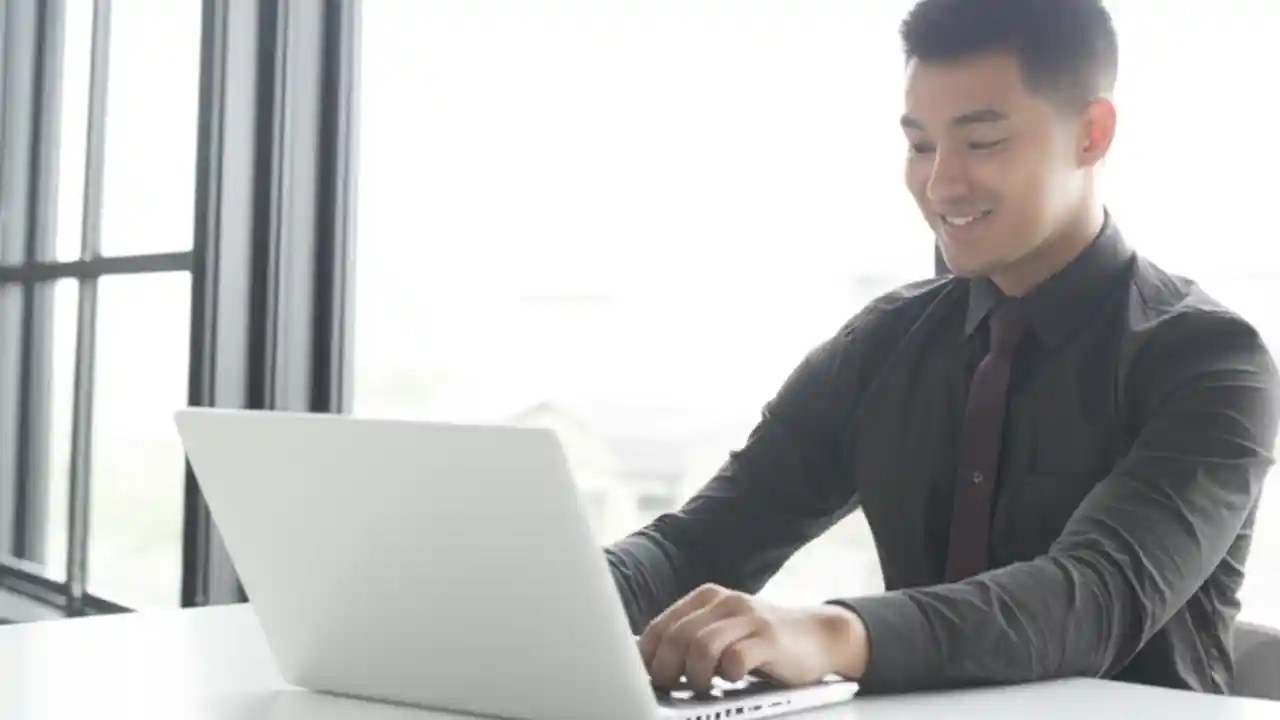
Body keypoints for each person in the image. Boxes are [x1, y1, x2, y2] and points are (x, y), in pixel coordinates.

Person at [605, 0, 1280, 696]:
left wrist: (829, 633)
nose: (939, 183)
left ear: (1091, 133)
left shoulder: (1212, 363)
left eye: (981, 142)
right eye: (920, 145)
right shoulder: (881, 347)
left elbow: (1093, 597)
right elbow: (699, 546)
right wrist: (546, 594)